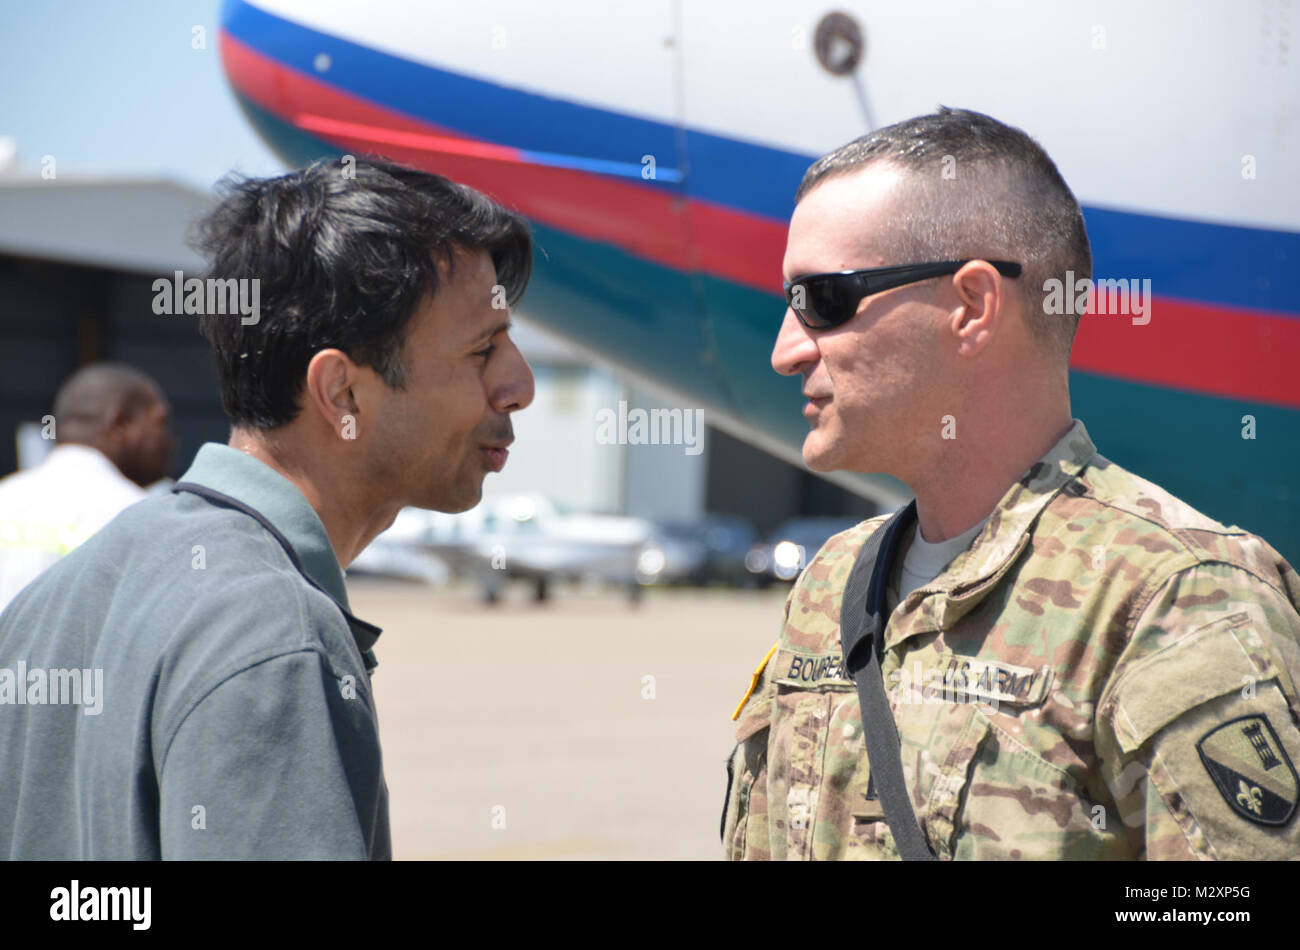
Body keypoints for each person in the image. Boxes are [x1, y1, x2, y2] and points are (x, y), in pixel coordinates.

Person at [722, 108, 1300, 860]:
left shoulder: (1179, 597)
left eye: (823, 301)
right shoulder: (832, 584)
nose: (786, 351)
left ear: (971, 306)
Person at [0, 156, 534, 859]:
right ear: (341, 395)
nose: (519, 383)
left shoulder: (47, 606)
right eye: (482, 350)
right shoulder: (274, 638)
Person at [0, 363, 175, 609]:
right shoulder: (136, 512)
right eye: (160, 422)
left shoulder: (6, 497)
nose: (169, 441)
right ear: (119, 424)